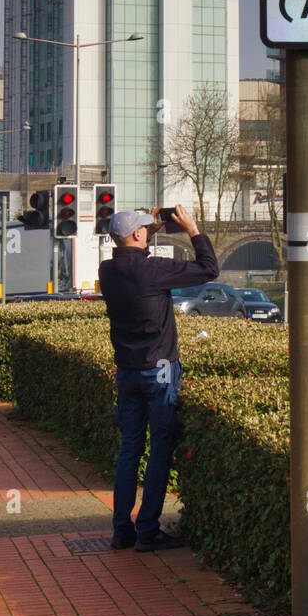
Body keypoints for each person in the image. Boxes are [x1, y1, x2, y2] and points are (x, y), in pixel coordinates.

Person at [97, 203, 218, 551]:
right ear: (137, 235)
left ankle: (122, 530)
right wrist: (192, 229)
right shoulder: (153, 270)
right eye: (144, 231)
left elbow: (134, 250)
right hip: (160, 370)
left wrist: (151, 225)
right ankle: (148, 530)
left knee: (130, 450)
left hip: (128, 370)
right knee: (161, 447)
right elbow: (209, 268)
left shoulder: (108, 271)